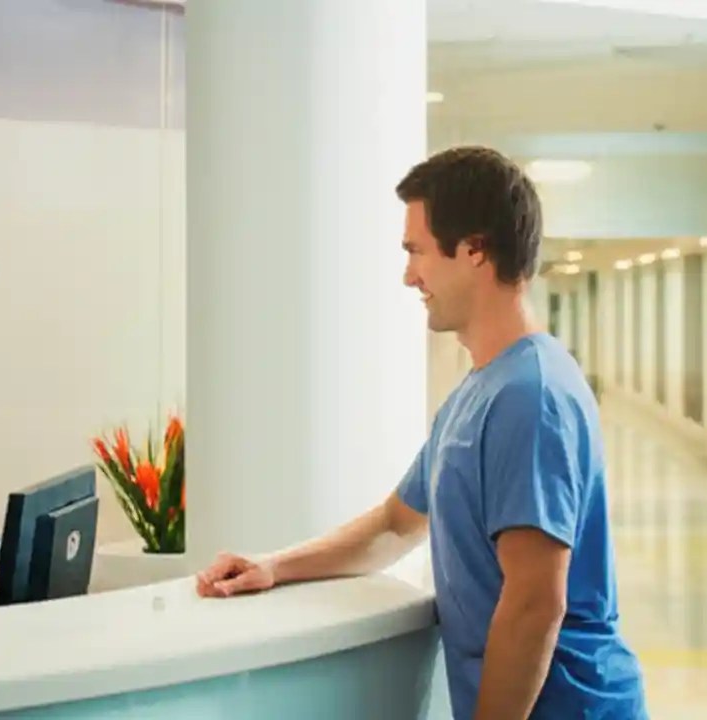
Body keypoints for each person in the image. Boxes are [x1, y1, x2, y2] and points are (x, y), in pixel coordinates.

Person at [195, 147, 648, 718]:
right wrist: (275, 566)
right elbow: (395, 524)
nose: (409, 275)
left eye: (417, 251)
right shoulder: (480, 390)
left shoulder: (532, 396)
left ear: (475, 249)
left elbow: (534, 604)